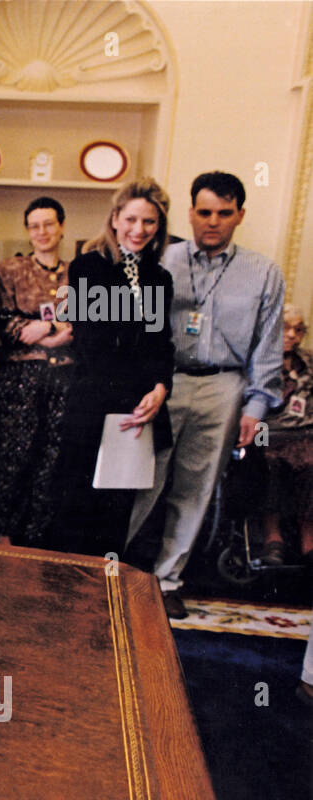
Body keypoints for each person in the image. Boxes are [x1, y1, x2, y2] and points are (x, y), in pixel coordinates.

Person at [126, 172, 285, 619]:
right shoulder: (161, 260)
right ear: (191, 212)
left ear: (240, 216)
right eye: (204, 212)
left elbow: (267, 347)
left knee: (194, 490)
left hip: (223, 386)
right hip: (163, 382)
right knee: (140, 482)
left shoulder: (264, 272)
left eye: (224, 213)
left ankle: (168, 580)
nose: (212, 222)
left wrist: (255, 409)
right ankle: (109, 571)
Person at [46, 179, 175, 559]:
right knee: (75, 501)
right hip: (94, 403)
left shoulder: (160, 278)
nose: (139, 230)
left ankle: (104, 600)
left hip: (138, 407)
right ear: (115, 219)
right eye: (131, 219)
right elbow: (92, 341)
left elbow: (161, 344)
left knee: (118, 507)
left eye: (149, 222)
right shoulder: (88, 267)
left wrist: (160, 388)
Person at [0, 197, 73, 547]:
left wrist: (44, 328)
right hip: (18, 381)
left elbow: (83, 325)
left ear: (62, 227)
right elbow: (7, 325)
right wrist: (54, 327)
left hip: (65, 380)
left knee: (52, 460)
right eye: (34, 225)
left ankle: (38, 541)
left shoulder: (79, 272)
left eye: (49, 224)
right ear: (27, 230)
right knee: (15, 458)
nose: (42, 232)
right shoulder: (10, 269)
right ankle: (6, 537)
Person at [257, 305, 313, 564]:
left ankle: (308, 536)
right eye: (286, 328)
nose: (292, 335)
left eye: (299, 330)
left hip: (304, 432)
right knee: (270, 463)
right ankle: (272, 536)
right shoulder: (259, 360)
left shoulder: (309, 362)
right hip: (268, 431)